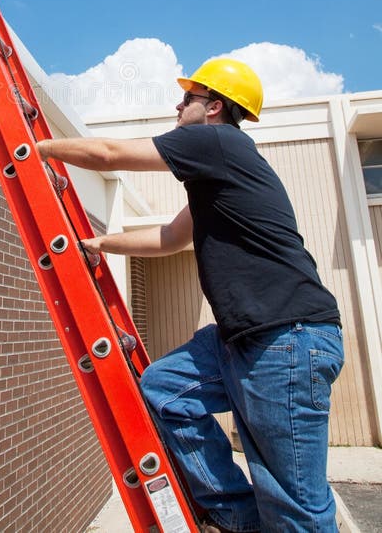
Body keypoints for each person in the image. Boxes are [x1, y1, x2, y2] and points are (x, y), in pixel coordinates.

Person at [36, 57, 343, 532]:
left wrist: (37, 148)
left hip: (286, 336)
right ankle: (242, 520)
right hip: (243, 338)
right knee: (164, 389)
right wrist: (100, 244)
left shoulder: (218, 142)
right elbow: (170, 237)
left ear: (214, 107)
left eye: (189, 98)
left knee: (294, 506)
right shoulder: (217, 175)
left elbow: (107, 153)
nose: (178, 105)